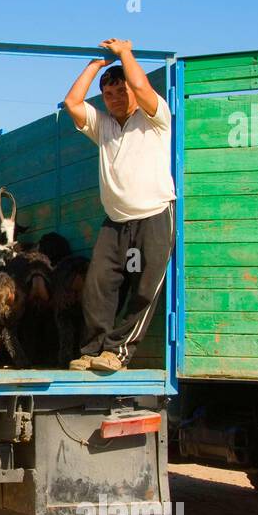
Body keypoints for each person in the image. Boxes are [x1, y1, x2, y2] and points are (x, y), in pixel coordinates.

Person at [62, 37, 176, 372]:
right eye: (108, 95)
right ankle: (93, 349)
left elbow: (141, 86)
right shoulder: (104, 126)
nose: (113, 99)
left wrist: (125, 53)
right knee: (98, 285)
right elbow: (72, 102)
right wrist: (95, 65)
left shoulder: (156, 118)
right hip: (115, 223)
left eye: (119, 92)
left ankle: (118, 353)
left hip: (153, 216)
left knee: (143, 289)